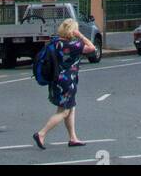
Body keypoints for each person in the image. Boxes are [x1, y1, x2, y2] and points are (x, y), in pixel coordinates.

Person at [33, 17, 96, 150]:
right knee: (63, 111)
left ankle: (73, 138)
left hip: (56, 80)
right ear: (73, 31)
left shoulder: (56, 43)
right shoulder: (74, 46)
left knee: (70, 108)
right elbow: (92, 48)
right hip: (68, 82)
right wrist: (81, 36)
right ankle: (41, 134)